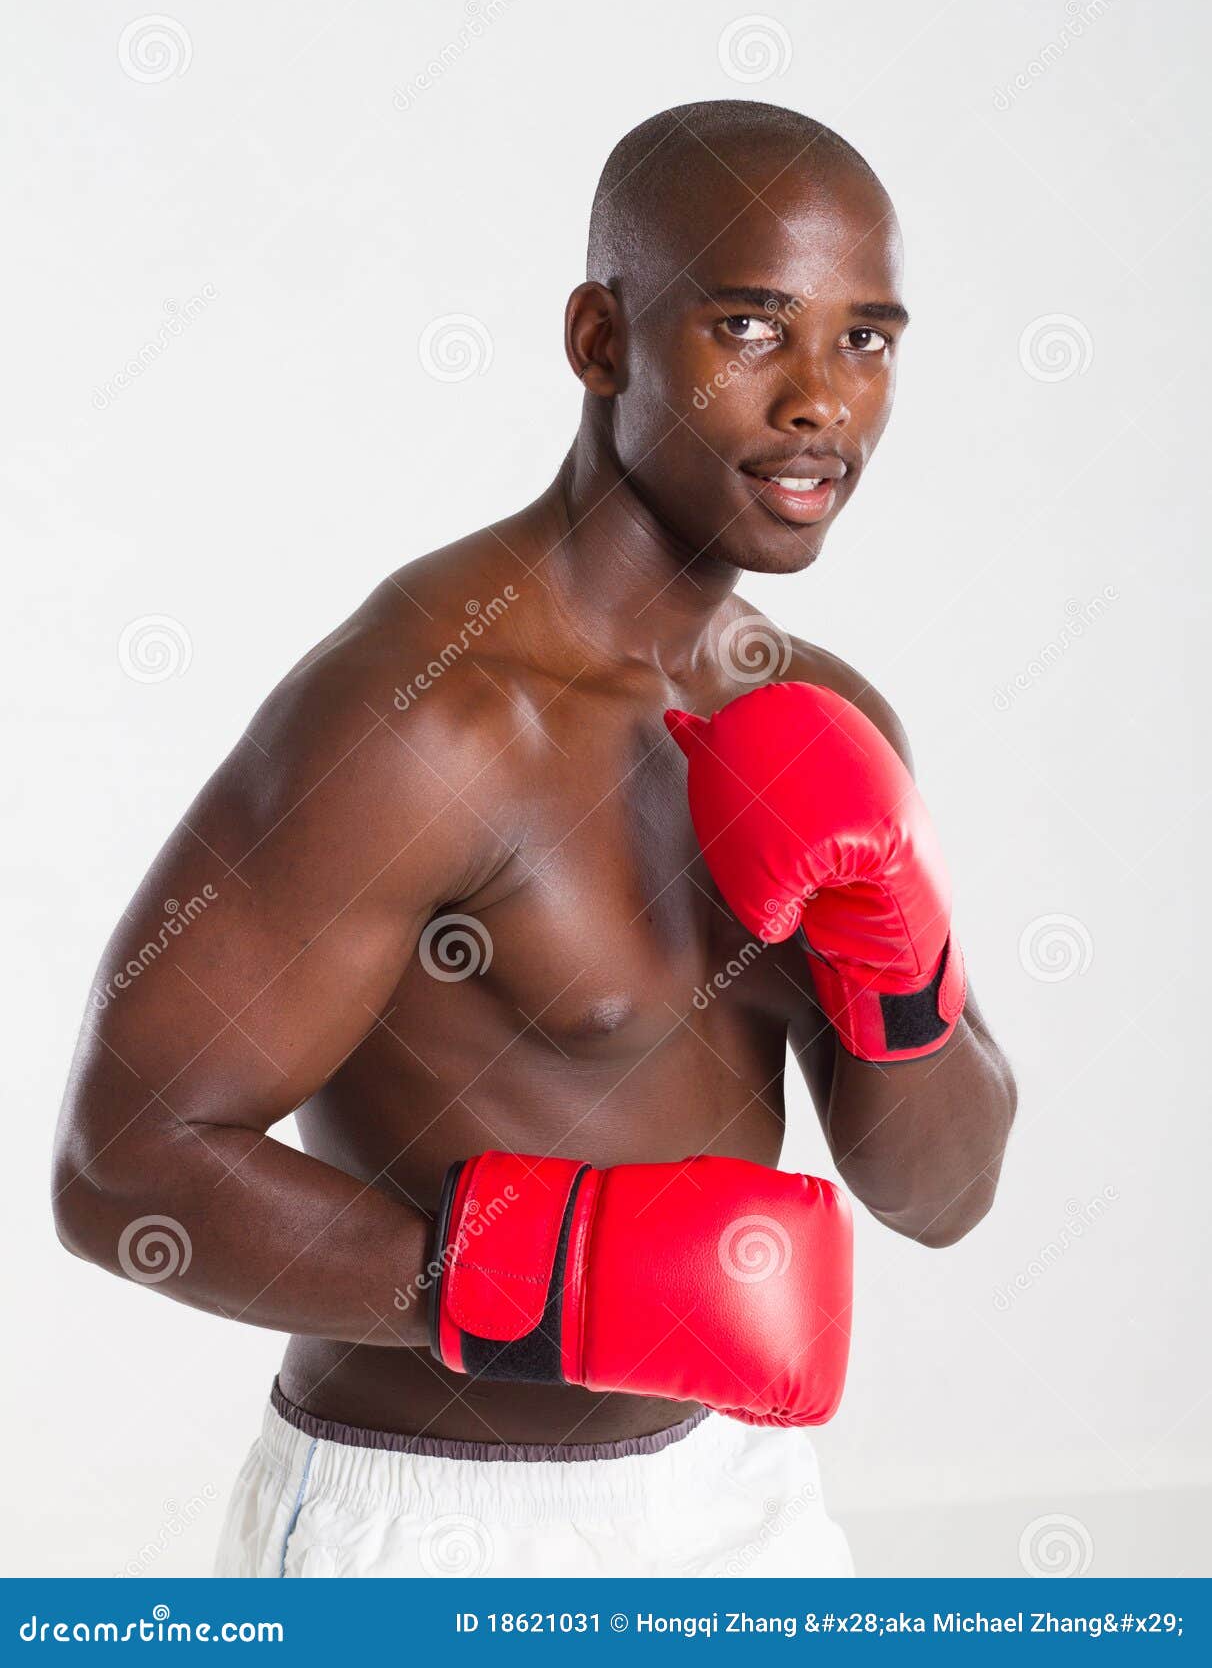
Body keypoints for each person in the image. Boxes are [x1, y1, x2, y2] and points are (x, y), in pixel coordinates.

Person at [52, 99, 1016, 1578]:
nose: (822, 398)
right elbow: (120, 1166)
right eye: (752, 330)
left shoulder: (827, 715)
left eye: (867, 340)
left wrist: (904, 966)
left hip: (738, 1489)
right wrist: (544, 1284)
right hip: (435, 1525)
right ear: (602, 341)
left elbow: (940, 1197)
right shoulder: (428, 714)